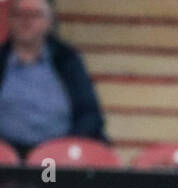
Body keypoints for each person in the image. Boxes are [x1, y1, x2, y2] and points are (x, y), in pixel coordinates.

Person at [0, 0, 106, 157]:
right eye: (19, 15)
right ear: (9, 20)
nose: (26, 21)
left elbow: (90, 115)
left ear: (49, 21)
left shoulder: (68, 60)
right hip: (6, 160)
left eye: (35, 15)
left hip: (60, 157)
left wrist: (64, 145)